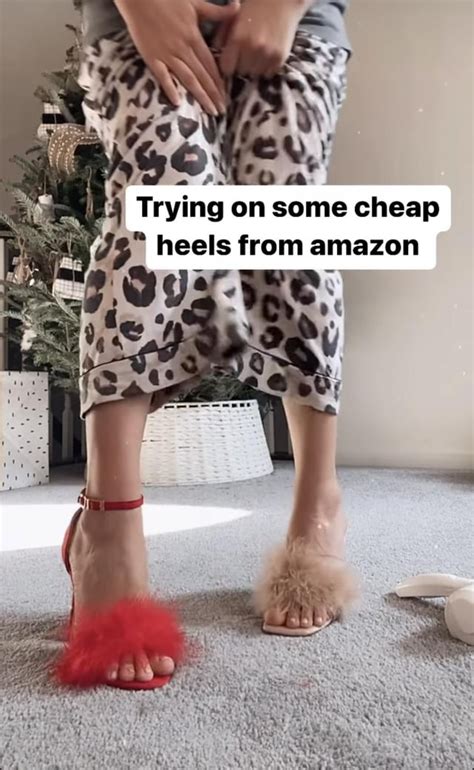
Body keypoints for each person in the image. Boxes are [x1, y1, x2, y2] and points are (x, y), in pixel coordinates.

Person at [58, 0, 357, 690]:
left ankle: (319, 506)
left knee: (288, 219)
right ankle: (108, 527)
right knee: (152, 211)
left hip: (296, 17)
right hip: (142, 13)